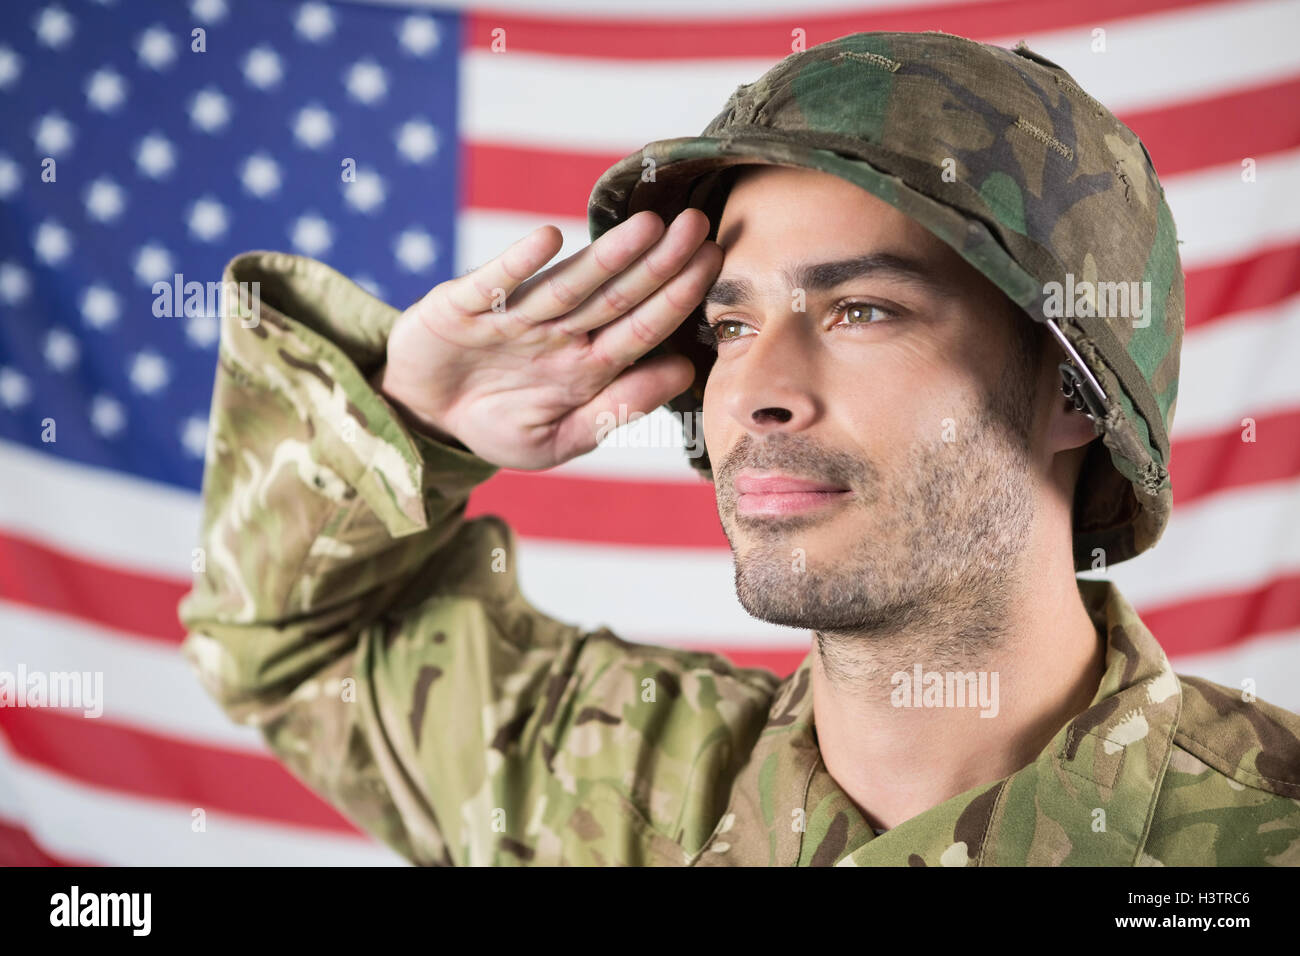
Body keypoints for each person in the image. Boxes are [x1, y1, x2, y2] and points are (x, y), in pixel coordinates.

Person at [178, 31, 1300, 866]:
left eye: (861, 309)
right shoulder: (614, 782)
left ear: (1072, 387)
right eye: (728, 325)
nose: (752, 390)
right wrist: (405, 426)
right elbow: (288, 645)